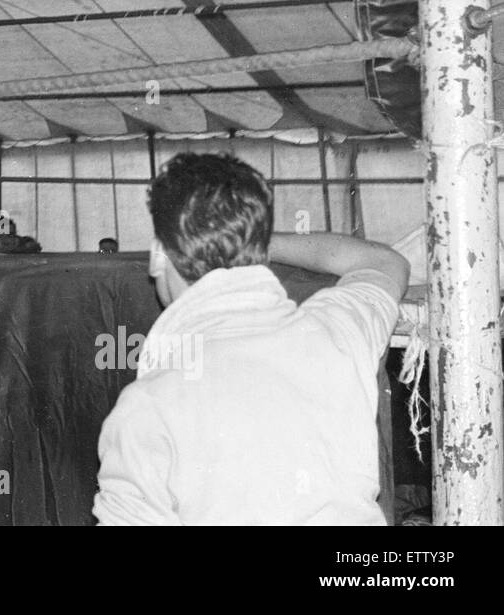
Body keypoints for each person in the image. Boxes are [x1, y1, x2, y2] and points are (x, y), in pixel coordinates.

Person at [93, 153, 410, 526]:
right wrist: (245, 240)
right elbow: (384, 263)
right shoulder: (337, 332)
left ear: (158, 255)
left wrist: (226, 240)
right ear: (257, 247)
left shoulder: (147, 406)